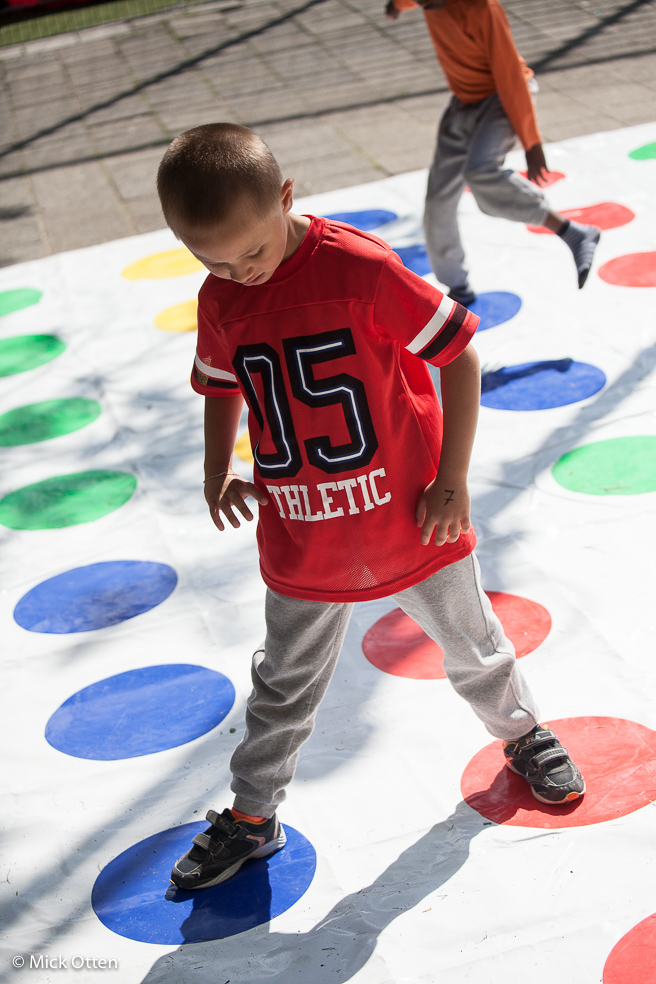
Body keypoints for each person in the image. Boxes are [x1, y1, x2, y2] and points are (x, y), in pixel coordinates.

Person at [156, 123, 585, 891]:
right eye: (211, 258)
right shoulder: (220, 295)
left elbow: (460, 355)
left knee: (473, 644)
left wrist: (451, 481)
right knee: (282, 684)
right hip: (303, 534)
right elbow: (220, 383)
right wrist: (219, 463)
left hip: (412, 518)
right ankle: (254, 816)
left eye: (250, 252)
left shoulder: (358, 267)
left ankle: (523, 735)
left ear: (287, 199)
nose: (236, 272)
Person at [385, 0, 600, 305]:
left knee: (480, 171)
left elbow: (510, 73)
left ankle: (572, 232)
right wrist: (395, 5)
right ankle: (457, 287)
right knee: (437, 200)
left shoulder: (480, 7)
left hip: (503, 98)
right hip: (464, 104)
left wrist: (532, 143)